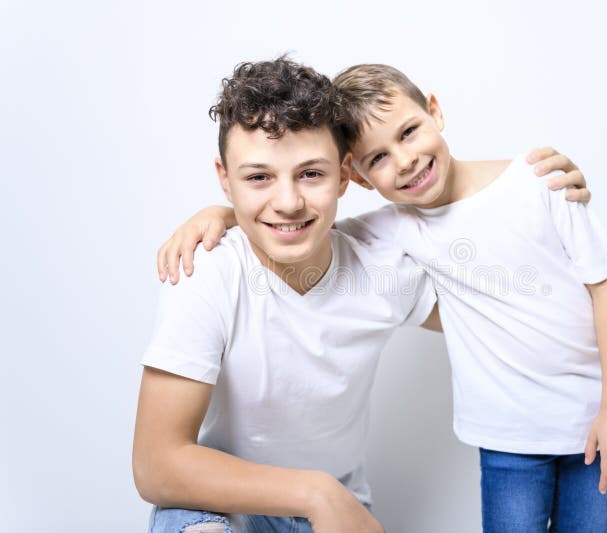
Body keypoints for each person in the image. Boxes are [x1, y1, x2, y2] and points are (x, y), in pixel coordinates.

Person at [166, 62, 607, 533]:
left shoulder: (535, 183)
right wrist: (223, 214)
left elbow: (604, 290)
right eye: (378, 158)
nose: (405, 160)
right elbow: (296, 223)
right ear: (356, 175)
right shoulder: (395, 229)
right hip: (503, 441)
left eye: (409, 132)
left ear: (434, 110)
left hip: (586, 419)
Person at [133, 58, 438, 533]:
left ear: (343, 175)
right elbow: (156, 464)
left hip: (339, 512)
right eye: (258, 177)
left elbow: (498, 312)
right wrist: (315, 492)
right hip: (227, 508)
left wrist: (527, 187)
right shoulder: (206, 270)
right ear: (225, 178)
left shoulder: (379, 268)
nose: (289, 201)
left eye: (310, 174)